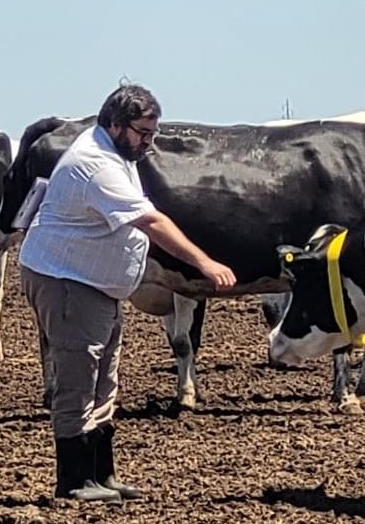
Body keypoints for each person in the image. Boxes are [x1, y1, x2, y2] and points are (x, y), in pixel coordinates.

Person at [19, 82, 236, 502]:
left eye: (153, 134)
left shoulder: (116, 152)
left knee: (104, 376)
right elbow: (150, 221)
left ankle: (102, 474)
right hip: (67, 279)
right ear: (116, 125)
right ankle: (74, 480)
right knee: (79, 375)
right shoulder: (95, 163)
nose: (149, 143)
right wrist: (204, 263)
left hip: (95, 283)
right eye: (143, 133)